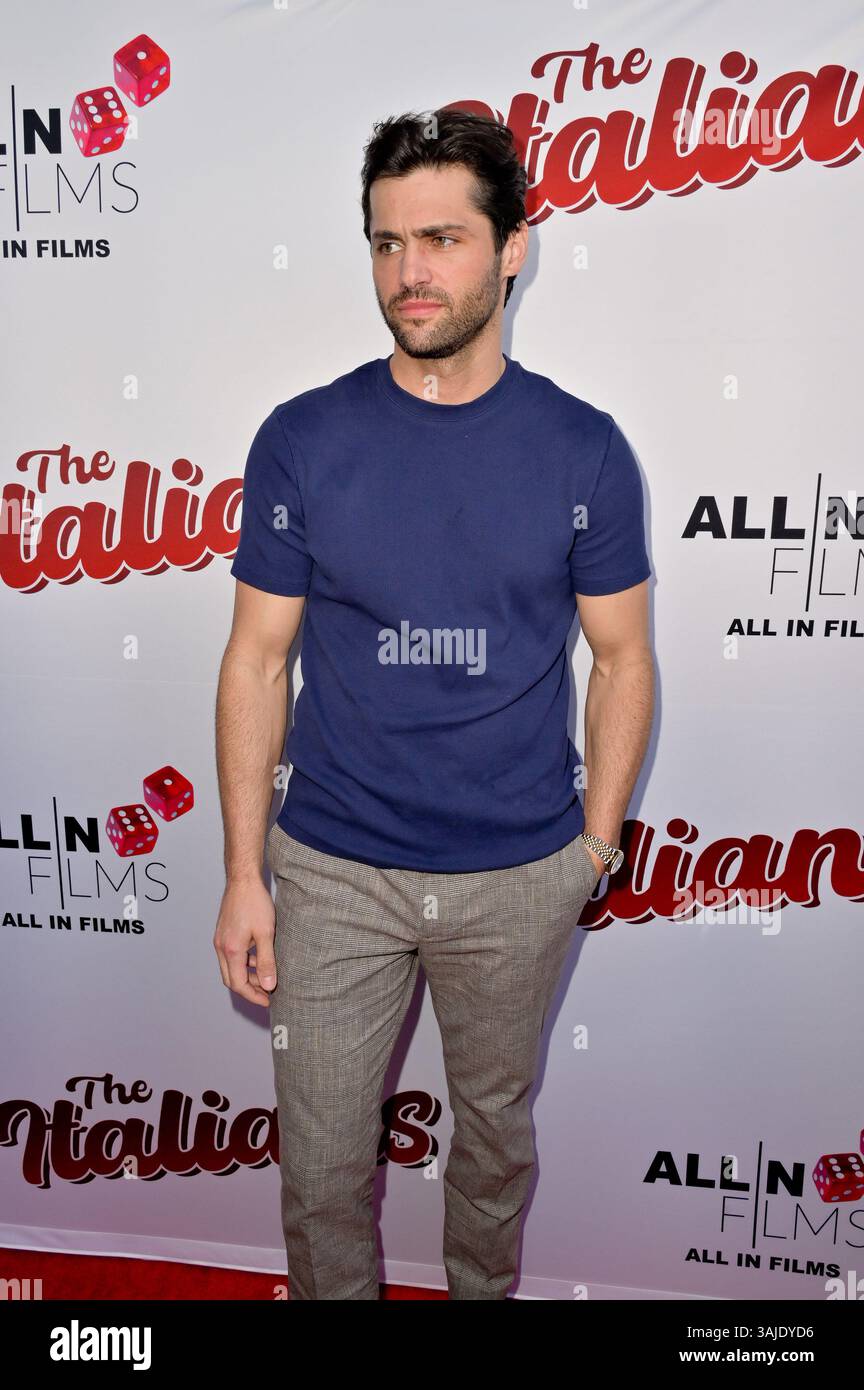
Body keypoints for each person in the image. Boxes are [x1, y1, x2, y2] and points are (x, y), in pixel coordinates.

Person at [214, 107, 655, 1300]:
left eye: (445, 239)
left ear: (514, 247)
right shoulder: (304, 439)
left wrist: (592, 849)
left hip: (519, 872)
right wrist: (246, 871)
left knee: (494, 1146)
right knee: (318, 1168)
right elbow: (258, 660)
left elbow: (623, 659)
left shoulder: (585, 450)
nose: (411, 271)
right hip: (332, 868)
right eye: (387, 242)